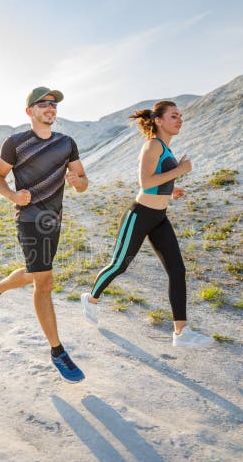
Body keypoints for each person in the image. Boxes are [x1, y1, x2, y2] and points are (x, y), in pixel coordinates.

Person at [79, 100, 213, 347]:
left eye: (181, 115)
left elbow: (158, 181)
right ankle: (91, 298)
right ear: (159, 120)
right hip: (139, 215)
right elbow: (145, 182)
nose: (179, 119)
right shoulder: (152, 145)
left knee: (177, 270)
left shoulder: (165, 148)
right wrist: (180, 170)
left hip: (159, 217)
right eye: (174, 115)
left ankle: (181, 333)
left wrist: (172, 191)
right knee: (119, 265)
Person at [0, 87, 89, 382]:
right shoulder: (15, 143)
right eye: (43, 104)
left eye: (53, 104)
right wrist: (13, 197)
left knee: (36, 273)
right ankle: (58, 352)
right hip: (29, 219)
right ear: (29, 111)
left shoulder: (67, 143)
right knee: (44, 281)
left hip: (53, 220)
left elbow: (83, 181)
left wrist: (77, 181)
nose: (50, 108)